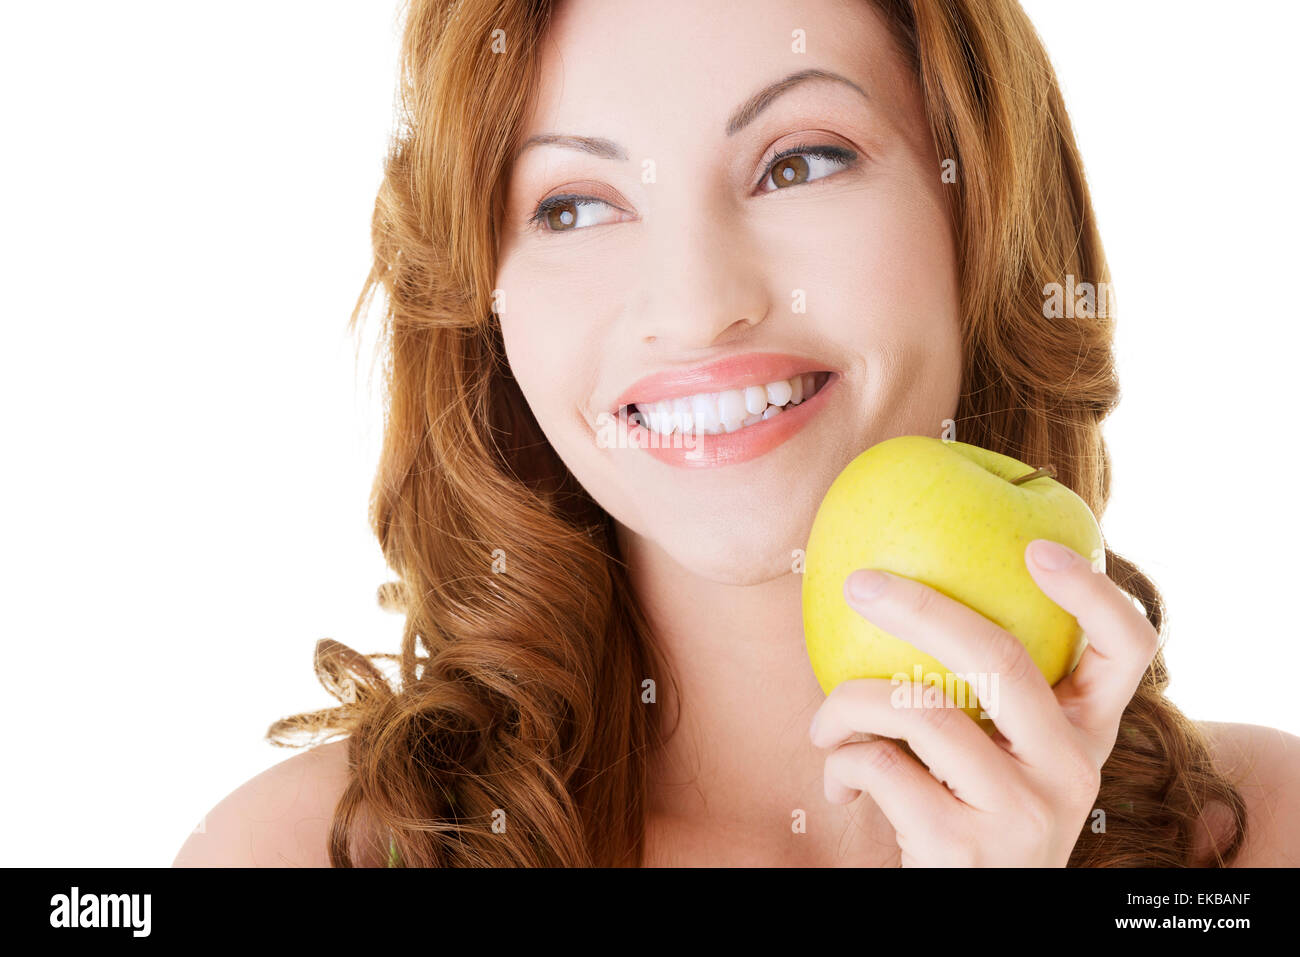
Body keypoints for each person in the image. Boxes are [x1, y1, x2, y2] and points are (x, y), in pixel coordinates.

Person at [174, 0, 1300, 868]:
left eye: (799, 160)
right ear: (484, 298)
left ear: (980, 205)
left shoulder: (1254, 839)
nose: (697, 303)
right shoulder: (307, 858)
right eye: (570, 203)